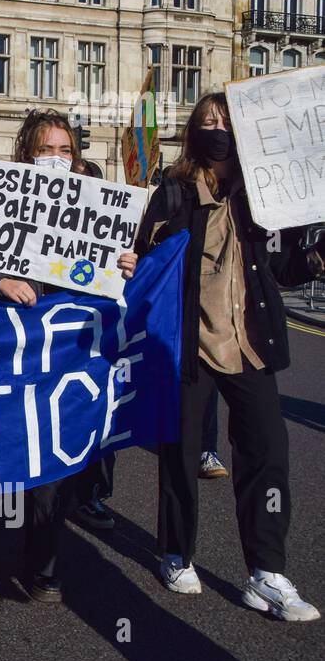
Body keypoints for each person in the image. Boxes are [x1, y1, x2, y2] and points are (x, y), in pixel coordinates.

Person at [120, 92, 324, 621]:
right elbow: (143, 255)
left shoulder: (265, 193)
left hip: (249, 342)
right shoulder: (174, 191)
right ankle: (175, 552)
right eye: (207, 122)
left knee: (268, 454)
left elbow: (282, 271)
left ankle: (266, 573)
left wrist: (317, 257)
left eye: (226, 122)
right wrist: (131, 262)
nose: (217, 130)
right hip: (189, 341)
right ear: (193, 132)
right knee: (181, 452)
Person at [0, 109, 129, 602]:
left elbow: (113, 282)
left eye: (64, 150)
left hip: (65, 356)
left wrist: (128, 265)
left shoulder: (99, 207)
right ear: (27, 153)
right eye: (45, 150)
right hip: (7, 348)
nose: (55, 159)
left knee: (54, 453)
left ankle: (43, 565)